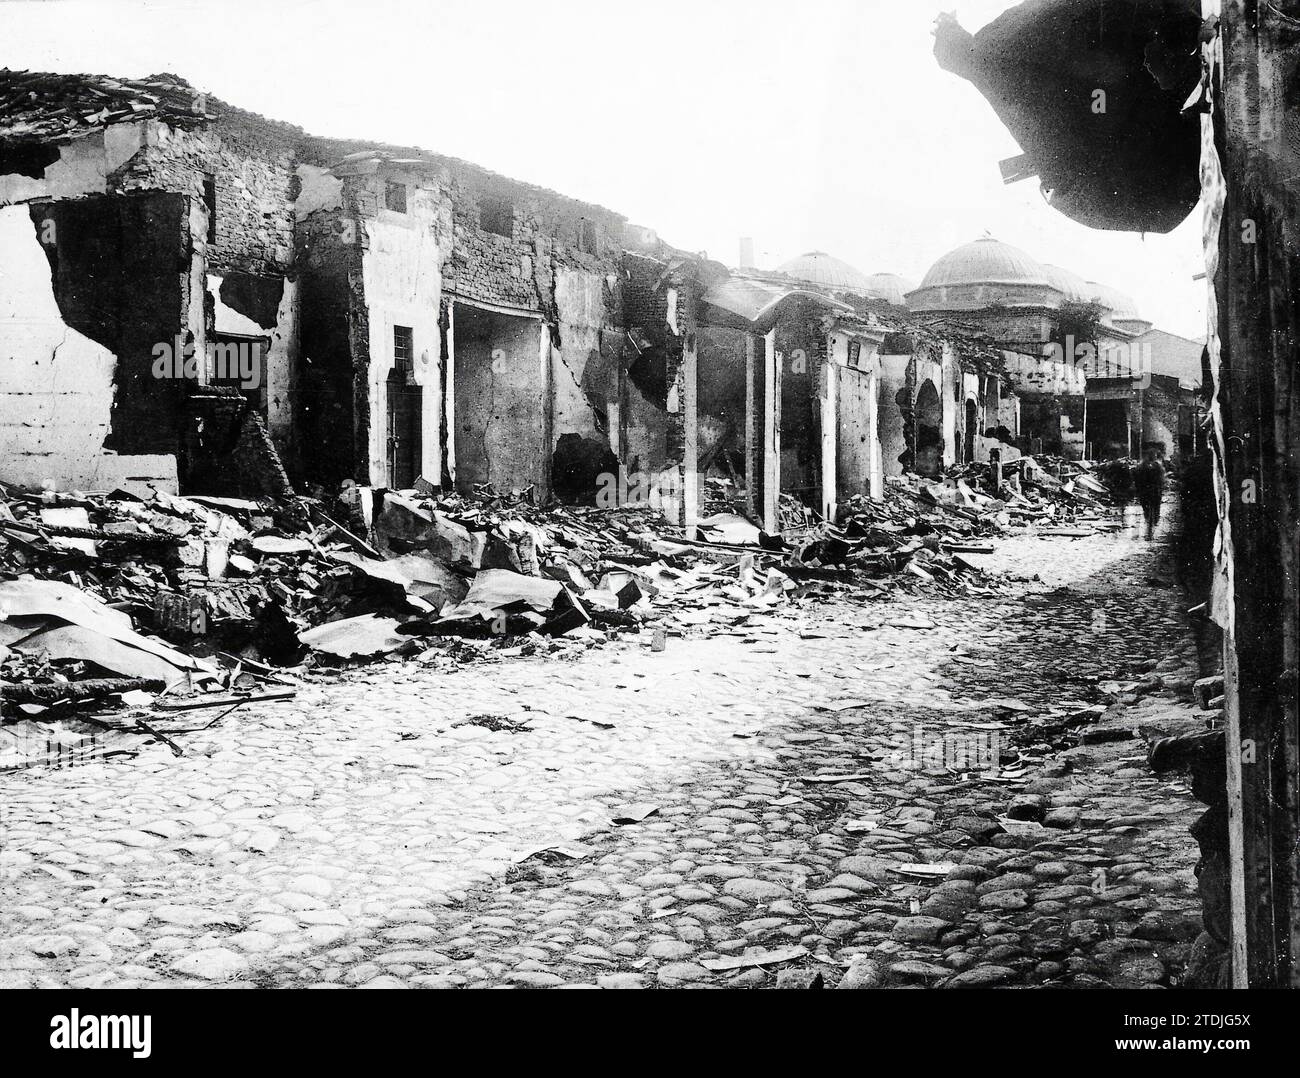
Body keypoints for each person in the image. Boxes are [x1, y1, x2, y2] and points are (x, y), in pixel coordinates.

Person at [1133, 448, 1166, 540]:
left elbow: (1137, 478)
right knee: (1155, 507)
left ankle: (1149, 520)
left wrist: (1138, 489)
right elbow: (1161, 480)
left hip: (1144, 491)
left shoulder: (1141, 466)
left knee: (1146, 508)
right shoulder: (1158, 466)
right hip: (1155, 491)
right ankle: (1153, 522)